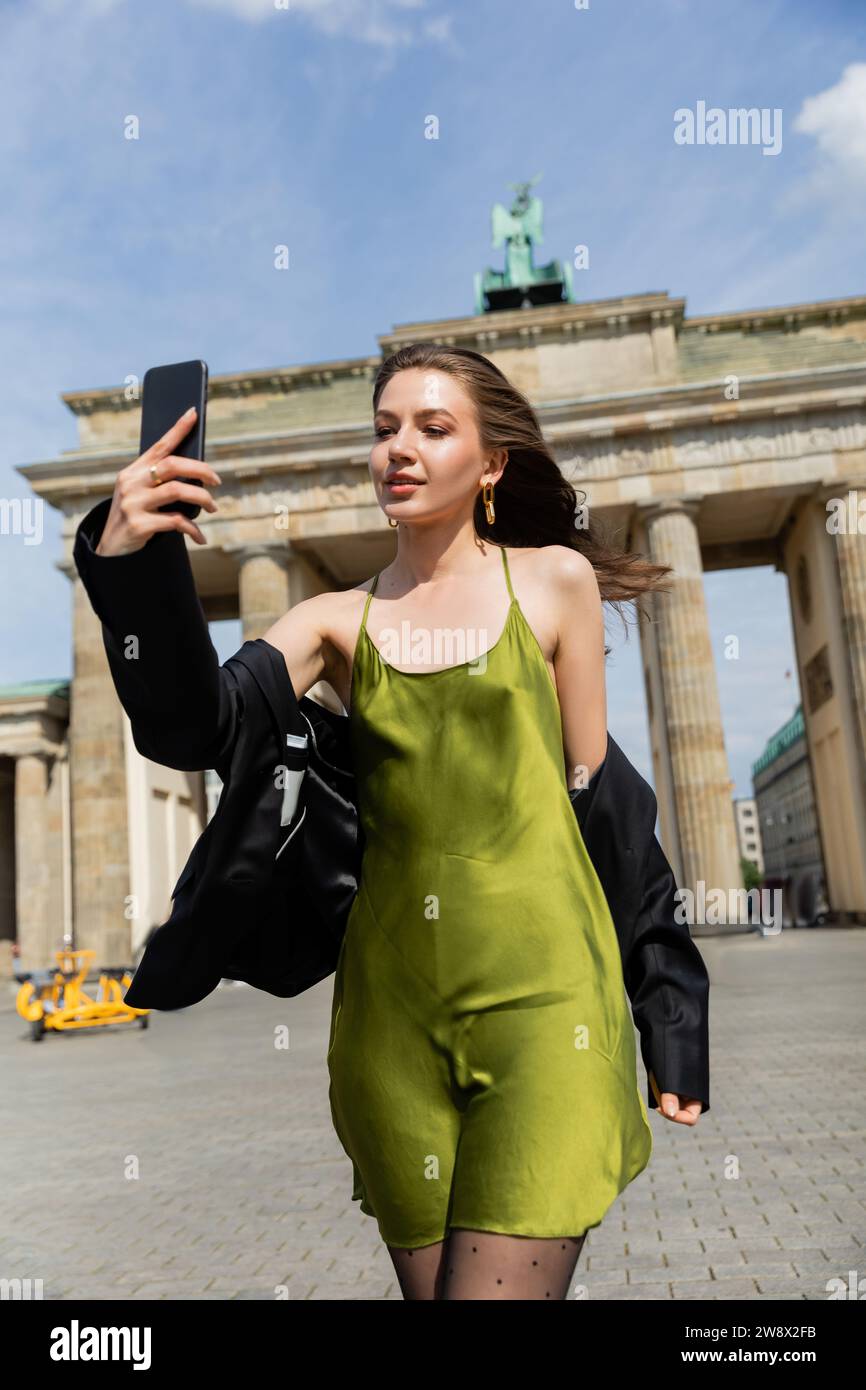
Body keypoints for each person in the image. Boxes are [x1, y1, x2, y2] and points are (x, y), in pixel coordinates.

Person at [94, 342, 706, 1301]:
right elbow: (192, 729)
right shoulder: (333, 622)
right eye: (385, 431)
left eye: (432, 427)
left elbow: (605, 801)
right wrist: (135, 559)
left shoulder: (552, 583)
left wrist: (667, 995)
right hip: (391, 1031)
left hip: (548, 1013)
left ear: (491, 464)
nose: (400, 450)